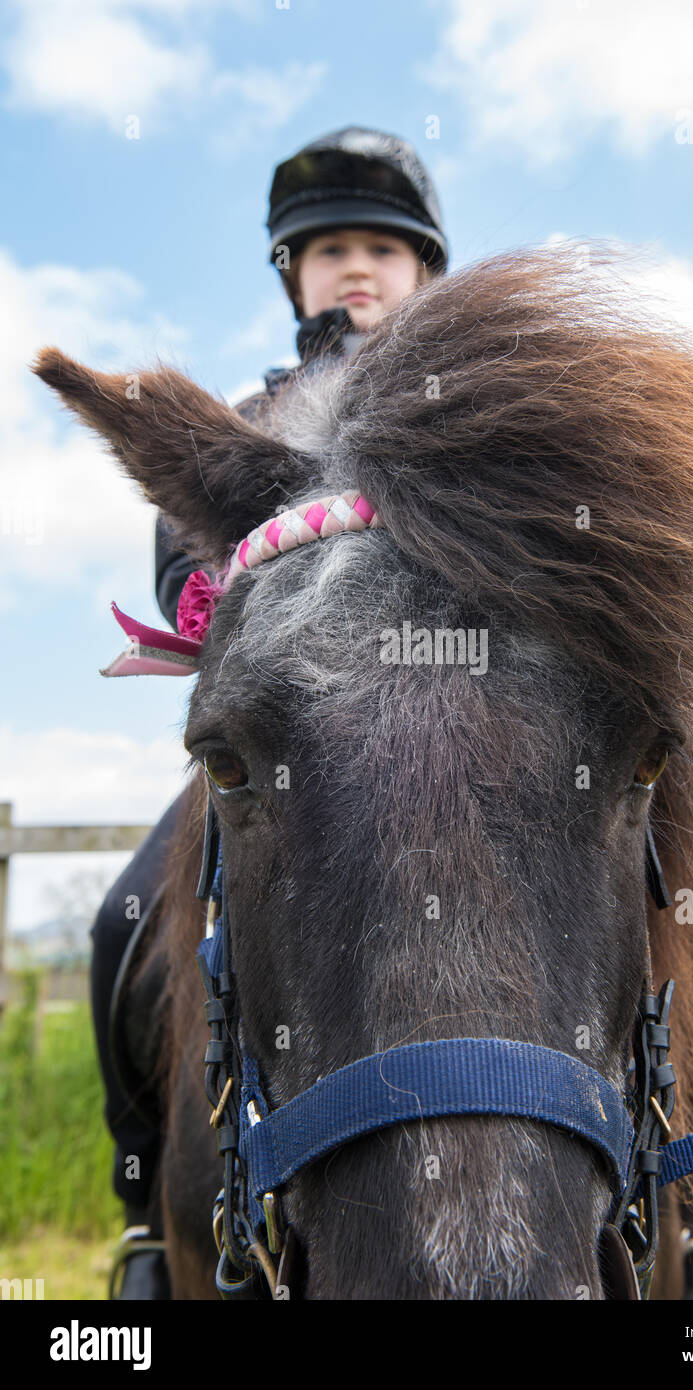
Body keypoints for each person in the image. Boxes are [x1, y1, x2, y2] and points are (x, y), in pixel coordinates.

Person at [96, 127, 448, 1298]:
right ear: (291, 271)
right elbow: (174, 552)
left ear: (426, 271)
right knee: (118, 922)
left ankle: (687, 1209)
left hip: (460, 740)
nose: (358, 268)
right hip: (281, 747)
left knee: (653, 901)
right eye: (331, 247)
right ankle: (152, 1210)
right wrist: (207, 589)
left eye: (384, 249)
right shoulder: (249, 413)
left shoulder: (471, 408)